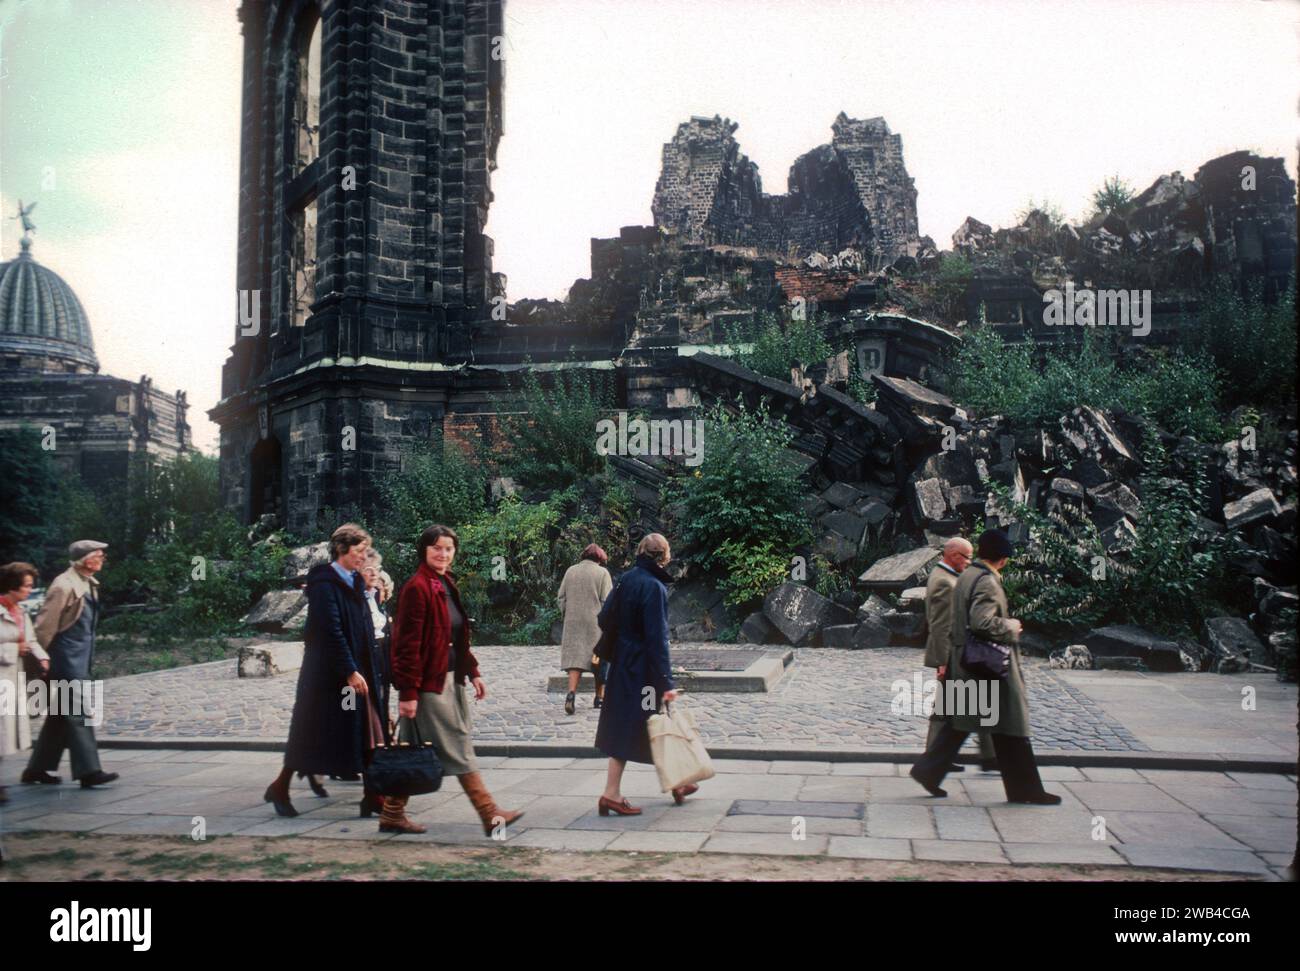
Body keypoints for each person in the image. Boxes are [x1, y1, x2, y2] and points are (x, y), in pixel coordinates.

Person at [389, 524, 523, 836]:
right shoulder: (417, 587)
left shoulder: (445, 583)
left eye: (448, 549)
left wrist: (473, 671)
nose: (443, 554)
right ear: (424, 550)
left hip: (450, 679)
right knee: (457, 741)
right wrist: (408, 691)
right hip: (428, 684)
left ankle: (392, 811)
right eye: (437, 548)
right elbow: (405, 645)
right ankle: (489, 814)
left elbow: (456, 636)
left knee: (414, 747)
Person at [910, 529, 1061, 805]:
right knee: (1010, 724)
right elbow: (982, 622)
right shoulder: (988, 582)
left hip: (967, 663)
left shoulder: (967, 575)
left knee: (960, 725)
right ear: (1003, 559)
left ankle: (928, 771)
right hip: (987, 667)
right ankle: (1025, 790)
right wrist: (1011, 626)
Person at [264, 523, 391, 819]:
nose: (363, 557)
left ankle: (372, 795)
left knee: (369, 729)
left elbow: (361, 627)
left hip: (358, 673)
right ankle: (280, 787)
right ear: (341, 550)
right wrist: (349, 670)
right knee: (313, 733)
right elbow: (329, 631)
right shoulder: (324, 585)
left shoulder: (354, 583)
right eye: (358, 551)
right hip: (327, 679)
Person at [594, 532, 701, 816]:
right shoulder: (655, 587)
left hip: (621, 666)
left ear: (641, 551)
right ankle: (611, 794)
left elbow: (604, 619)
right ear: (665, 557)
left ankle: (675, 783)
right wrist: (665, 682)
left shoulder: (625, 579)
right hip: (643, 674)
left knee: (638, 723)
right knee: (642, 723)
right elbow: (657, 640)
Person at [23, 541, 118, 789]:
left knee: (60, 715)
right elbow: (44, 626)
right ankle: (89, 771)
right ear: (86, 560)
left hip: (78, 658)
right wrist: (38, 662)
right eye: (99, 555)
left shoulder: (86, 583)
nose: (103, 559)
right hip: (64, 660)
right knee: (79, 714)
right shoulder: (63, 586)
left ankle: (36, 768)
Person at [921, 537, 998, 773]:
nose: (969, 561)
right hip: (956, 654)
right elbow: (942, 626)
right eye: (966, 556)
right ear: (953, 555)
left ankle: (986, 755)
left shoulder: (946, 577)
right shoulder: (945, 582)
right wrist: (943, 662)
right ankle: (940, 757)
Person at [1, 562, 49, 803]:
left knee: (4, 731)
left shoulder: (20, 612)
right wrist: (12, 649)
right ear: (12, 586)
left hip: (12, 679)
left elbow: (31, 640)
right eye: (27, 586)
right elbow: (16, 645)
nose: (30, 590)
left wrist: (43, 658)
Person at [557, 544, 613, 715]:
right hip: (595, 623)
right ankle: (599, 697)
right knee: (599, 659)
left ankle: (571, 694)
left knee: (575, 660)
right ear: (600, 558)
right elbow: (607, 600)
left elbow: (561, 597)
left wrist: (568, 613)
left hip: (573, 622)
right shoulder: (602, 573)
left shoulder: (570, 571)